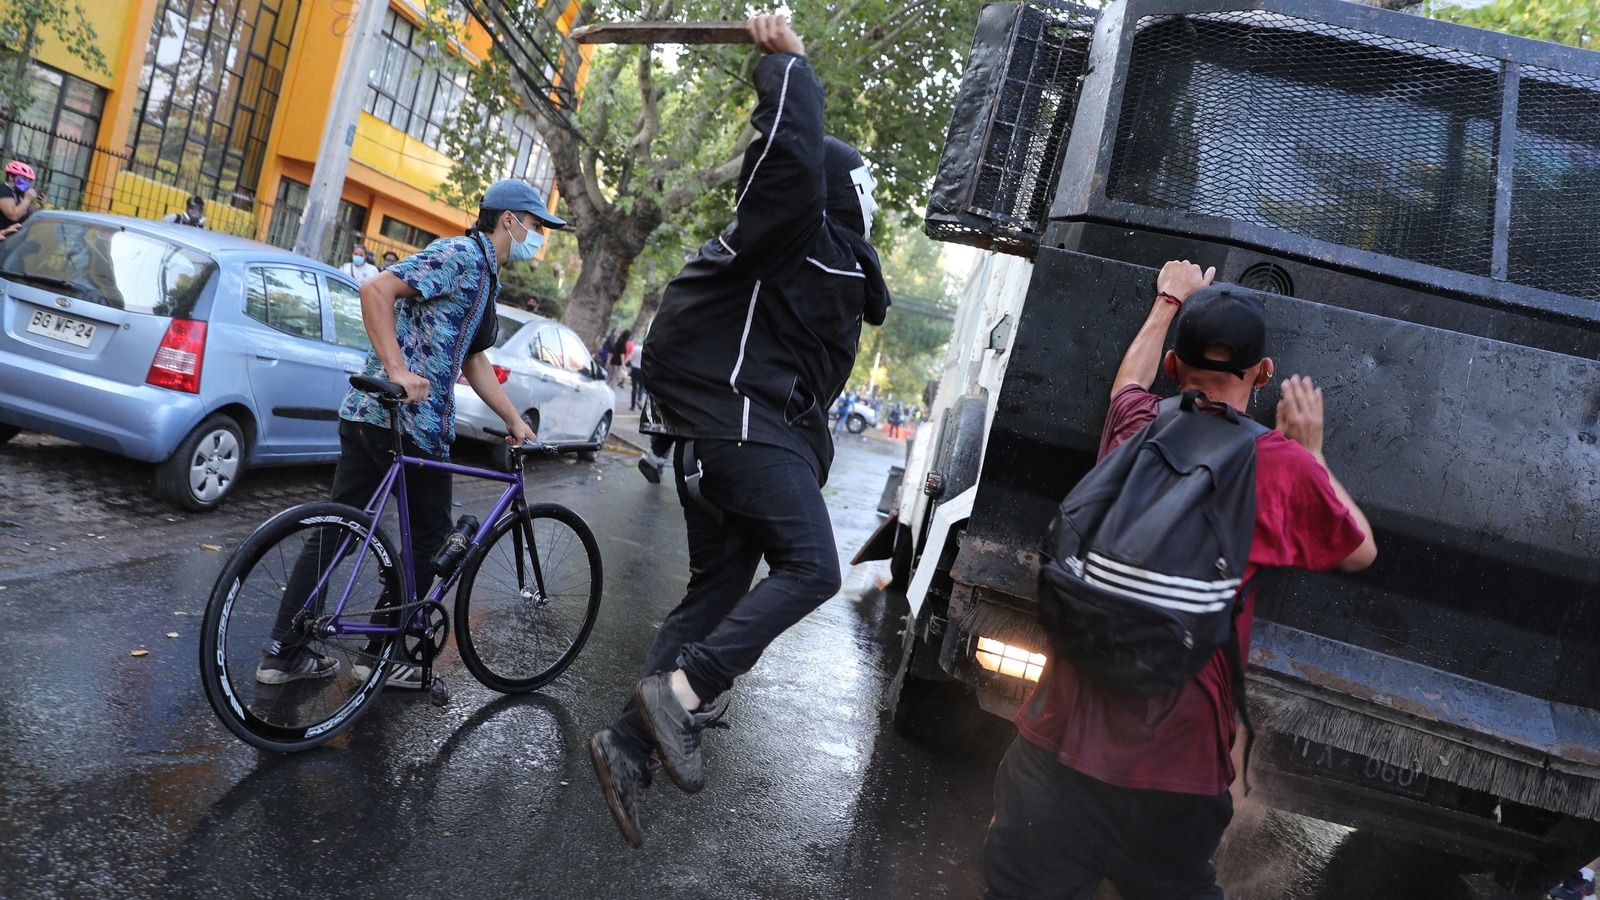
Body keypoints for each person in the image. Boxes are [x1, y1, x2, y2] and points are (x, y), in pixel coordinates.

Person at [982, 260, 1377, 899]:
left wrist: (1168, 301)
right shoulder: (1275, 466)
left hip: (1052, 753)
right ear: (1264, 373)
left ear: (1174, 368)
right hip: (1176, 777)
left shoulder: (1137, 429)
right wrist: (1312, 455)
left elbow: (1127, 384)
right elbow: (1359, 550)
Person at [588, 12, 889, 849]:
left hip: (724, 440)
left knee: (715, 596)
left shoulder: (823, 264)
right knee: (814, 569)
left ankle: (627, 746)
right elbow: (788, 160)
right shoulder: (793, 231)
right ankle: (683, 697)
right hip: (740, 432)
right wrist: (788, 69)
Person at [256, 179, 561, 688]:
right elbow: (376, 288)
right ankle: (379, 657)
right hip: (404, 423)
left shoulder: (485, 275)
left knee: (339, 532)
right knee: (428, 542)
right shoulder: (461, 255)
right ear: (510, 220)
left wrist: (513, 420)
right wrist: (397, 370)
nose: (539, 237)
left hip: (374, 416)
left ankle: (283, 654)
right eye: (537, 225)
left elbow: (473, 358)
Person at [2, 161, 39, 228]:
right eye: (24, 179)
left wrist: (40, 204)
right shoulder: (4, 190)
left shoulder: (19, 193)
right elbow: (13, 216)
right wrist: (27, 199)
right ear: (11, 177)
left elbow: (31, 215)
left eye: (29, 180)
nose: (27, 183)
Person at [627, 338, 646, 411]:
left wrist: (630, 364)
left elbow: (631, 358)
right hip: (642, 370)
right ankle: (639, 399)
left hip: (634, 369)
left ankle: (632, 406)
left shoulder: (636, 348)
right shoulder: (648, 351)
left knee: (634, 387)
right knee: (641, 386)